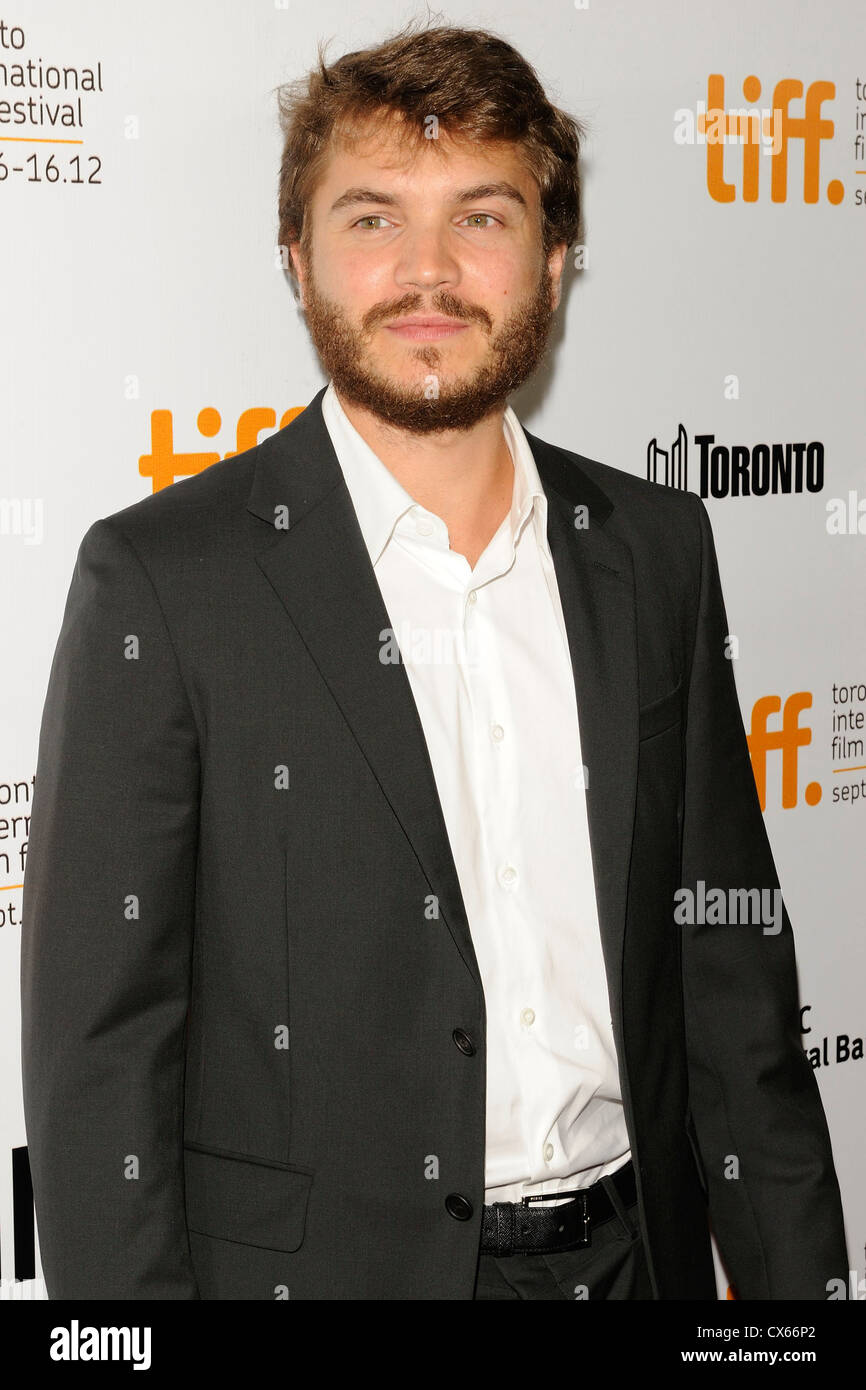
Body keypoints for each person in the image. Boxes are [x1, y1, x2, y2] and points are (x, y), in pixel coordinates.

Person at [21, 20, 848, 1301]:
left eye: (481, 216)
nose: (425, 271)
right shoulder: (163, 580)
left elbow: (733, 988)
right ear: (295, 260)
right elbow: (99, 1058)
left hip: (640, 1262)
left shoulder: (656, 548)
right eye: (369, 219)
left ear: (556, 259)